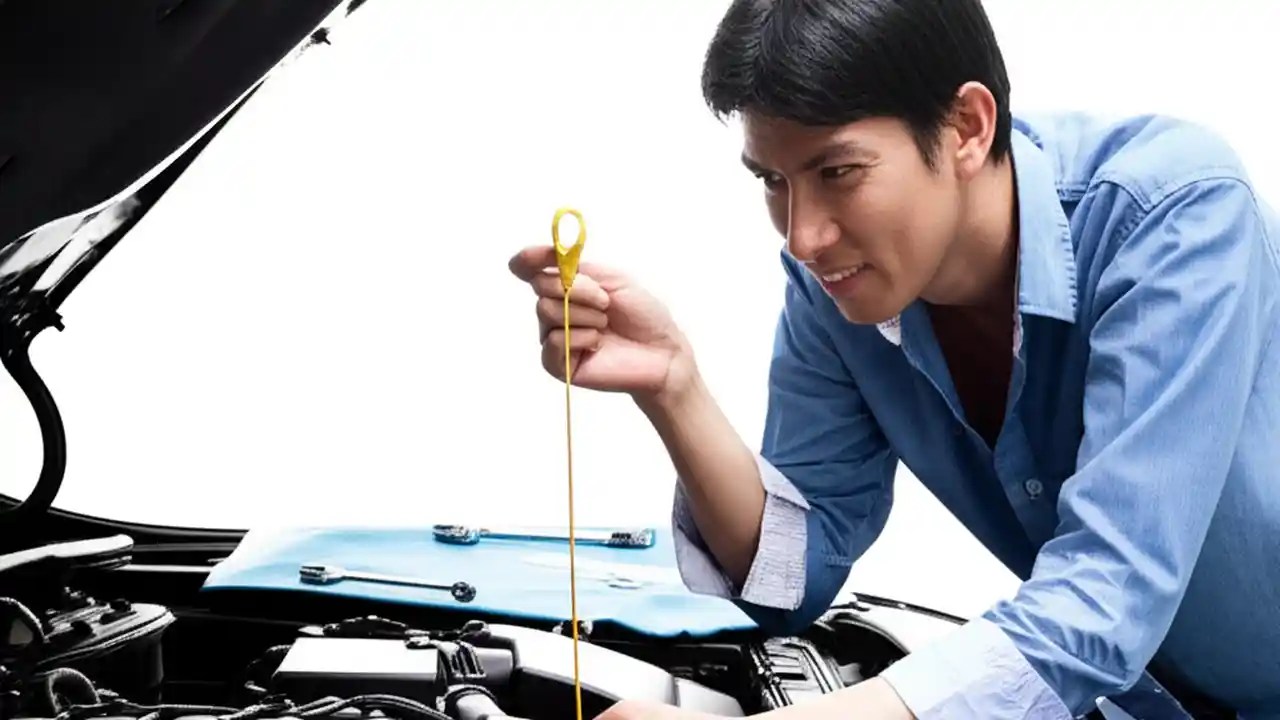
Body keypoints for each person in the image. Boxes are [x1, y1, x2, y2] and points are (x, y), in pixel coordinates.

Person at [507, 1, 1280, 718]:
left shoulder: (1173, 215)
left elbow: (1106, 598)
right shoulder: (835, 292)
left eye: (838, 172)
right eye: (773, 181)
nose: (802, 237)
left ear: (968, 128)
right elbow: (791, 577)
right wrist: (673, 388)